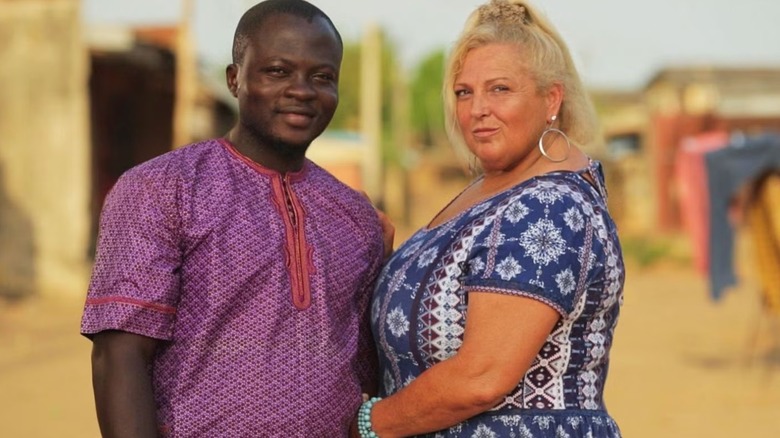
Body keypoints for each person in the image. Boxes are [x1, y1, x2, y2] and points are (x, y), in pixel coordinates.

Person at [80, 1, 391, 436]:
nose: (302, 90)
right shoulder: (161, 188)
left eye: (322, 77)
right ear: (234, 79)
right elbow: (119, 357)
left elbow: (367, 372)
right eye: (278, 71)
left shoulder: (356, 218)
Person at [353, 1, 624, 436]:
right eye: (464, 92)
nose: (478, 108)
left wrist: (367, 426)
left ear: (551, 98)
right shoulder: (493, 188)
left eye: (499, 89)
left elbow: (481, 377)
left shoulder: (549, 208)